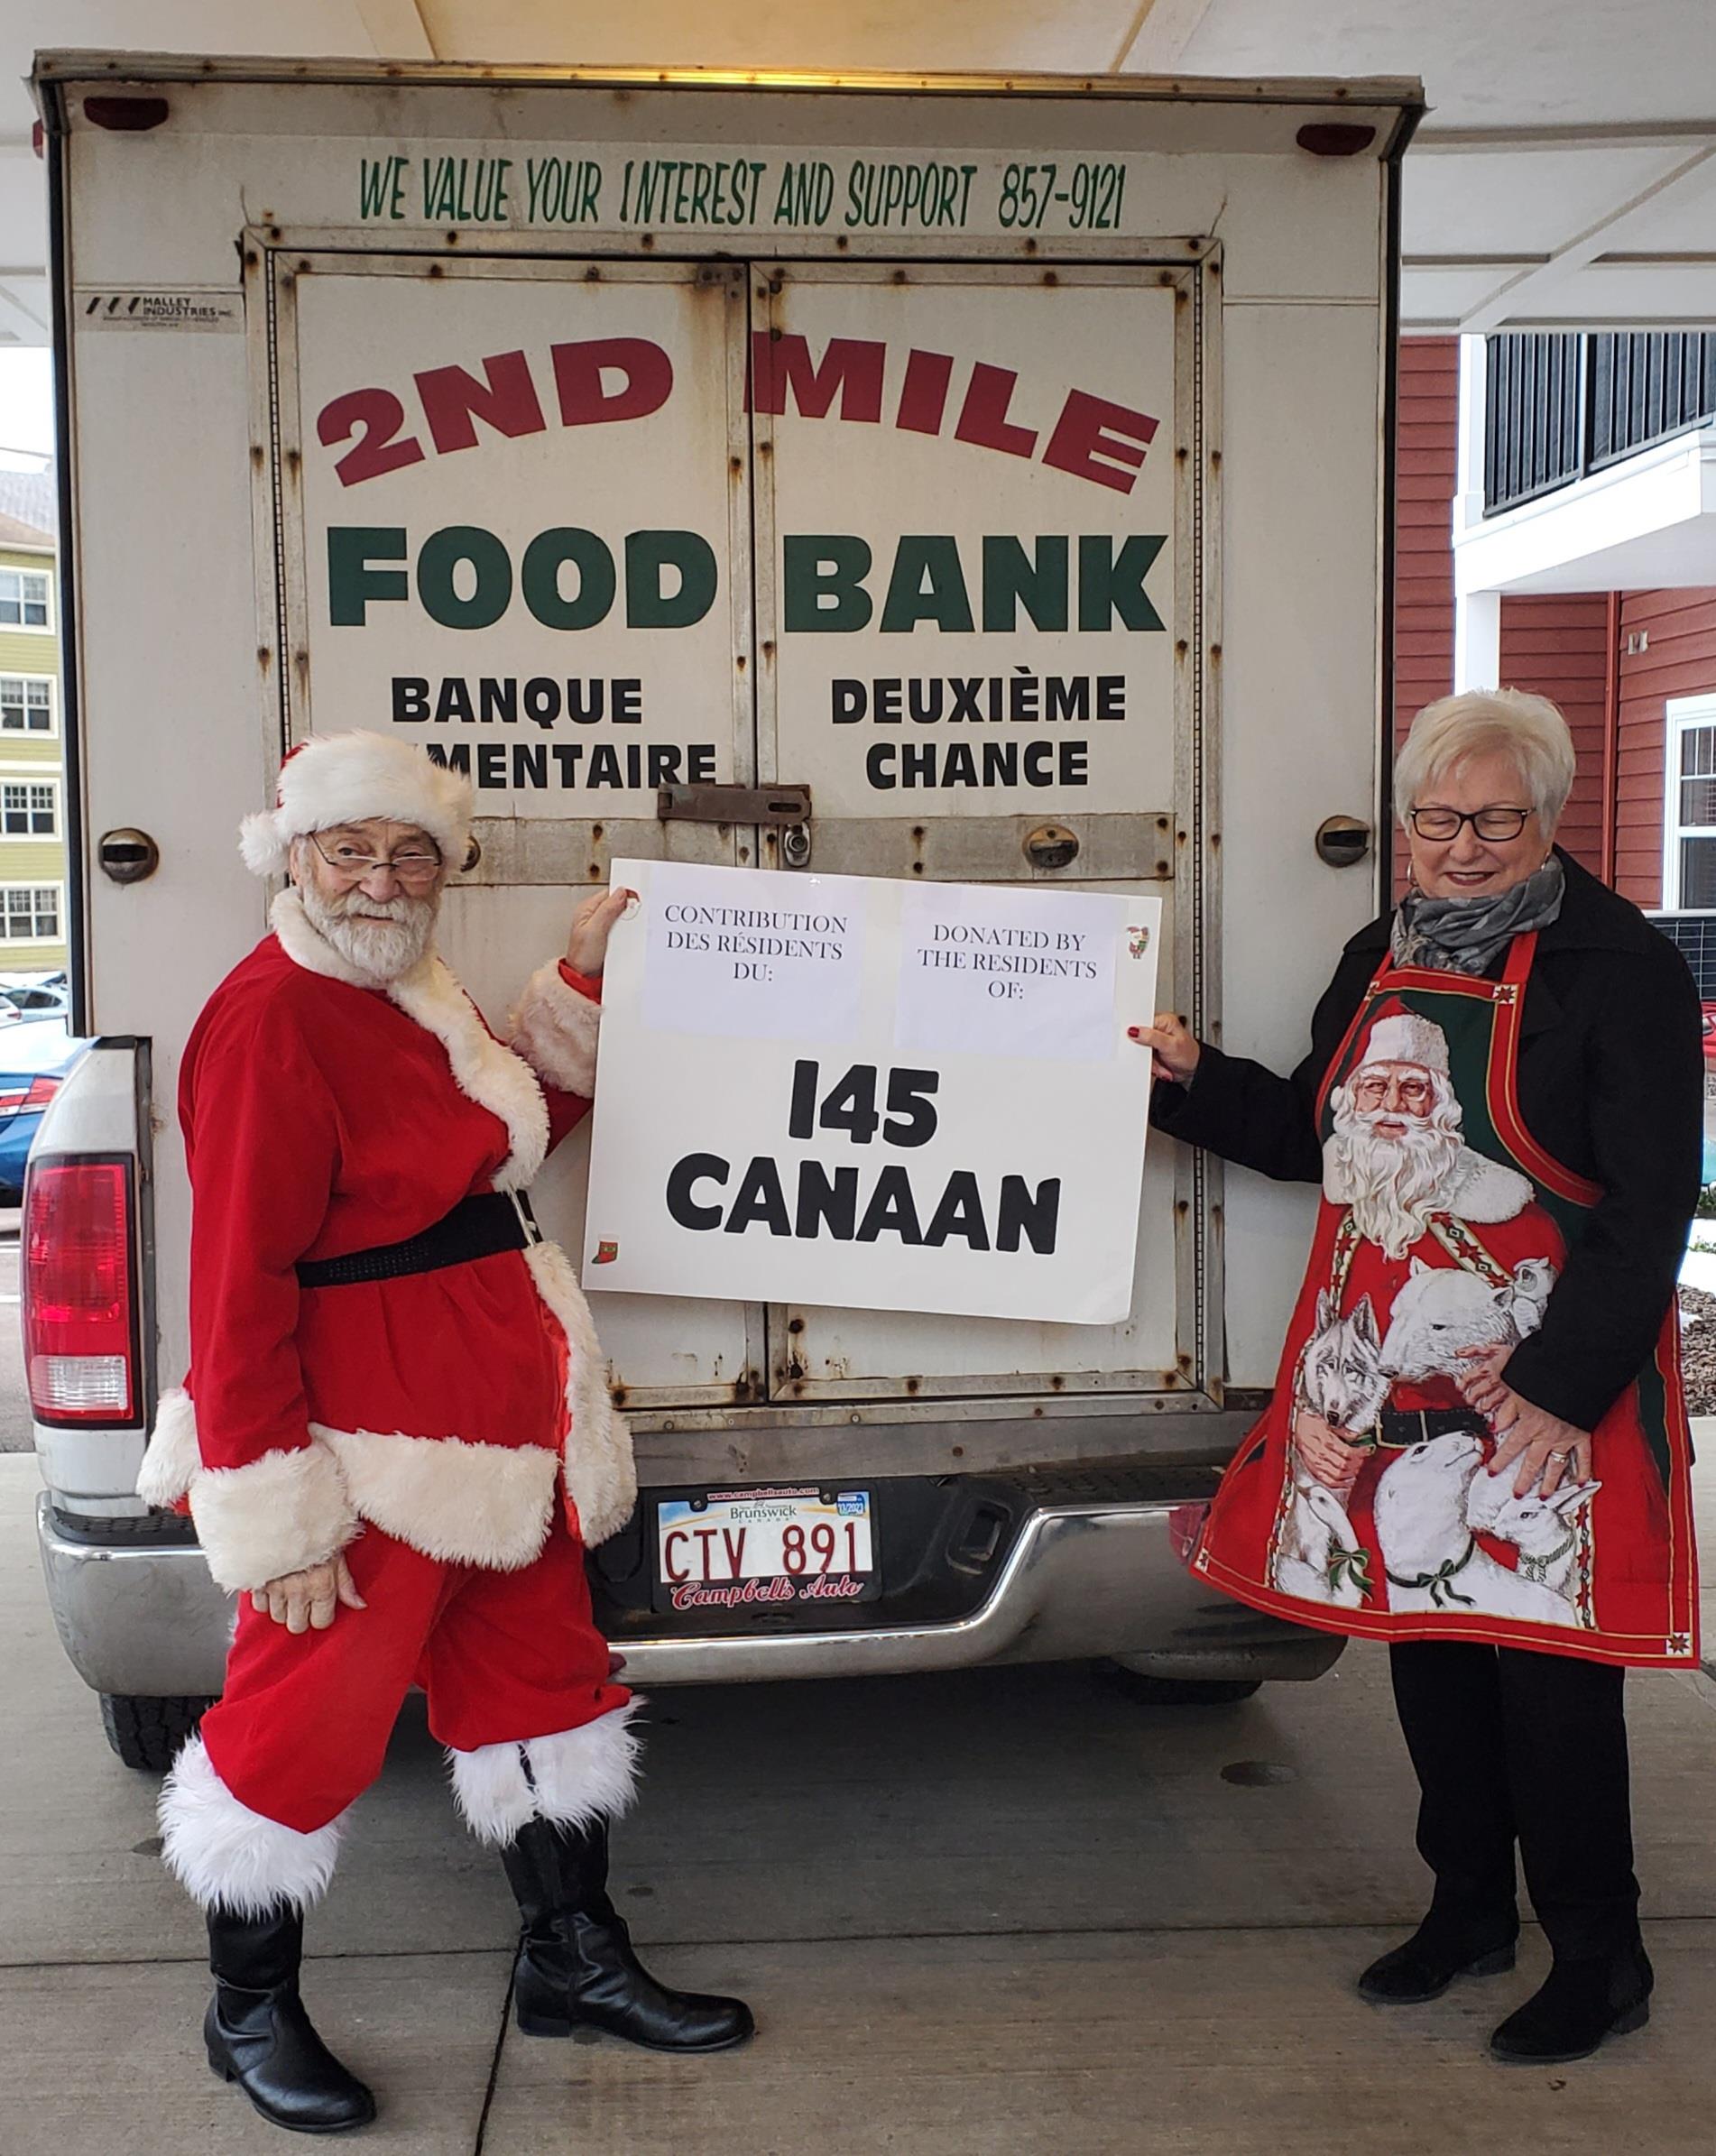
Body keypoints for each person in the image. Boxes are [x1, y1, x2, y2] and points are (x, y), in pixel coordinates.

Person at [136, 732, 752, 2135]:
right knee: (297, 1735)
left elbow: (509, 1130)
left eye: (410, 852)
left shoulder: (414, 985)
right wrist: (280, 1511)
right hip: (369, 1466)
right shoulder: (268, 1019)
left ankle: (570, 1957)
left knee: (546, 1698)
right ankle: (246, 2011)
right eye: (351, 848)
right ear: (291, 855)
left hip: (499, 1442)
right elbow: (234, 1285)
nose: (382, 876)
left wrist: (585, 976)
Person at [1136, 687, 1701, 2066]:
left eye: (1493, 819)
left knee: (1553, 1685)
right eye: (1436, 819)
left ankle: (1597, 1949)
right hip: (1387, 1391)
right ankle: (1464, 1910)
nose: (1460, 847)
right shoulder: (1376, 954)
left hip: (1548, 1397)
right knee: (1432, 1655)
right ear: (1404, 826)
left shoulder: (1616, 971)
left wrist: (1558, 1391)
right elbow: (1309, 1136)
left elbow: (1646, 1211)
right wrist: (1185, 1073)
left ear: (1549, 820)